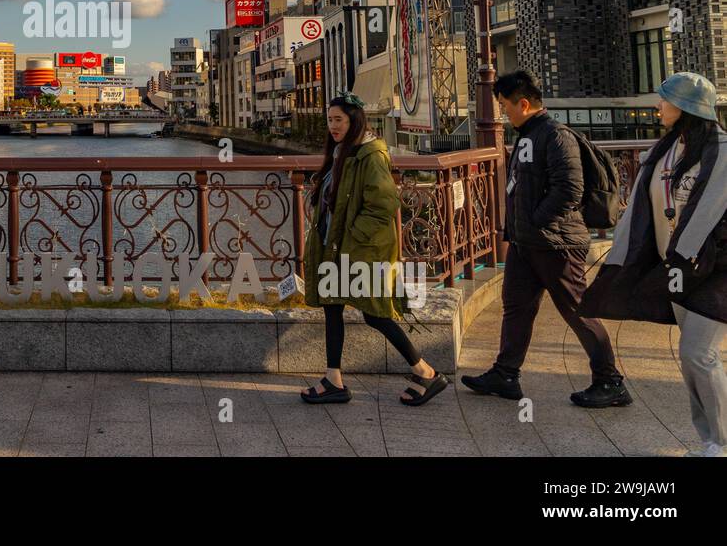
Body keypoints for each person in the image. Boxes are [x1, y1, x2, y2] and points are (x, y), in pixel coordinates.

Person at [462, 71, 630, 407]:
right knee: (516, 307)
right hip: (526, 243)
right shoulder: (529, 136)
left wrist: (537, 220)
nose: (502, 113)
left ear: (524, 104)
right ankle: (505, 374)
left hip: (556, 243)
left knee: (577, 310)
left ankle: (610, 381)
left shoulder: (556, 136)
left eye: (505, 106)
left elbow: (569, 188)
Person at [581, 72, 727, 456]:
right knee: (691, 359)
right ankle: (710, 440)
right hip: (677, 268)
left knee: (699, 353)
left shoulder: (722, 152)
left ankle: (721, 443)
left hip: (714, 271)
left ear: (685, 106)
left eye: (665, 99)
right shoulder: (666, 150)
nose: (658, 106)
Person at [300, 93, 449, 406]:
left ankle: (425, 372)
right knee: (332, 307)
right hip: (336, 246)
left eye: (339, 120)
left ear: (354, 120)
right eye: (330, 120)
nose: (333, 126)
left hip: (360, 250)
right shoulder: (343, 151)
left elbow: (383, 205)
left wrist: (353, 236)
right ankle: (333, 379)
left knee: (375, 313)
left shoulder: (370, 155)